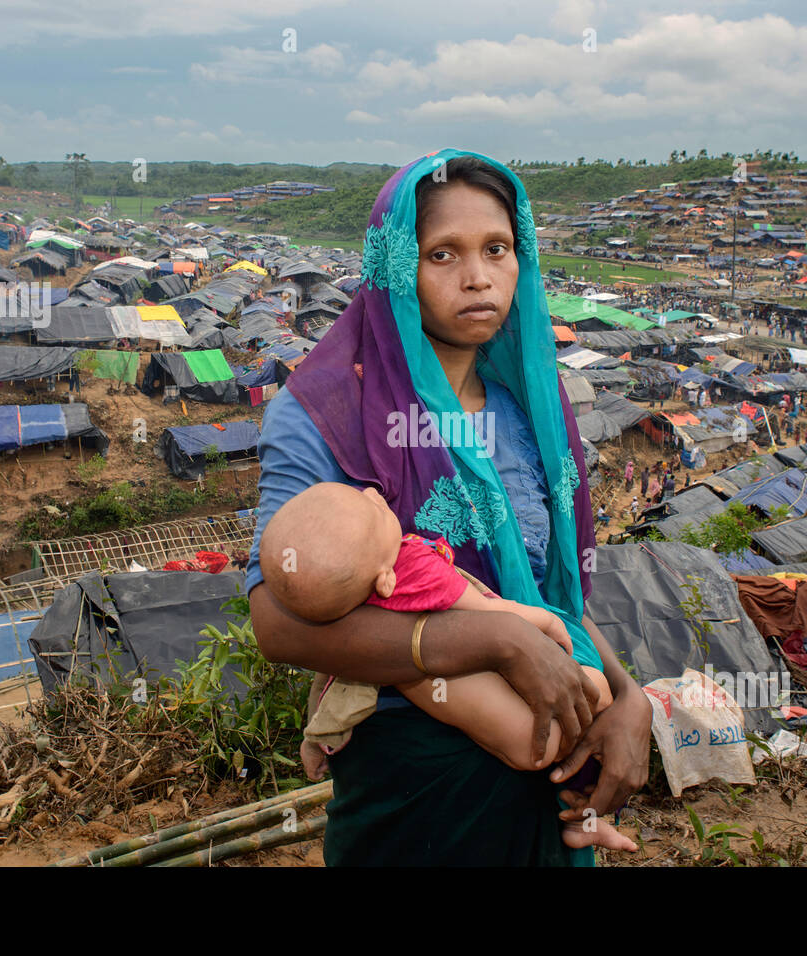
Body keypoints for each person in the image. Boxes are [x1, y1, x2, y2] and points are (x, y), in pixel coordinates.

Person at [245, 151, 651, 866]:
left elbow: (547, 586)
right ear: (397, 267)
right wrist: (490, 642)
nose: (477, 277)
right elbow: (278, 621)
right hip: (415, 790)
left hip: (550, 787)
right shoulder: (327, 414)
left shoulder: (534, 409)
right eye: (442, 254)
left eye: (497, 249)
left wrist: (625, 695)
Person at [264, 484, 633, 852]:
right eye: (372, 509)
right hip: (499, 712)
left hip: (464, 707)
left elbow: (325, 688)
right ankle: (585, 815)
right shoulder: (411, 567)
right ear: (385, 581)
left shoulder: (358, 624)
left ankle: (586, 819)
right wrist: (547, 623)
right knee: (587, 696)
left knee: (542, 735)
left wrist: (315, 741)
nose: (374, 493)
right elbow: (492, 614)